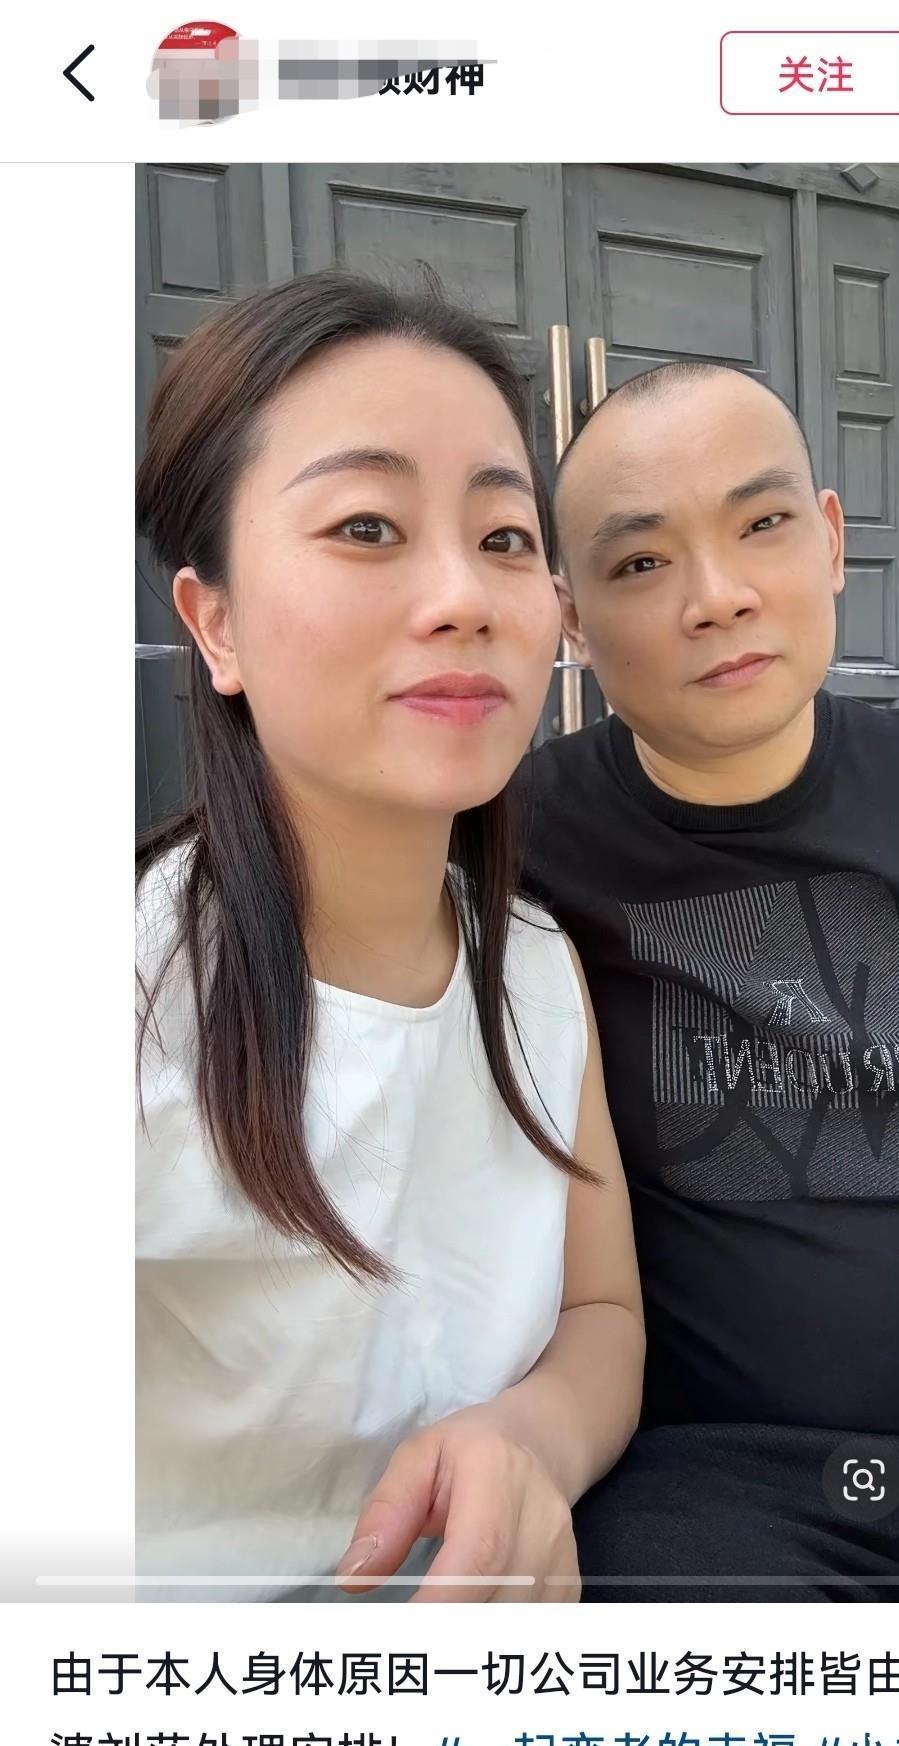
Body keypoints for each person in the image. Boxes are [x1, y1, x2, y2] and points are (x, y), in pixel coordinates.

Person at [135, 270, 644, 1603]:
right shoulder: (127, 991)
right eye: (367, 526)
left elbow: (601, 1316)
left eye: (505, 536)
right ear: (215, 622)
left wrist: (526, 1441)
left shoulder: (537, 969)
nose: (463, 595)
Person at [517, 360, 899, 1601]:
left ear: (831, 541)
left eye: (761, 526)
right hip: (732, 1493)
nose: (718, 598)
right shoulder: (511, 841)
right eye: (643, 561)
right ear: (572, 620)